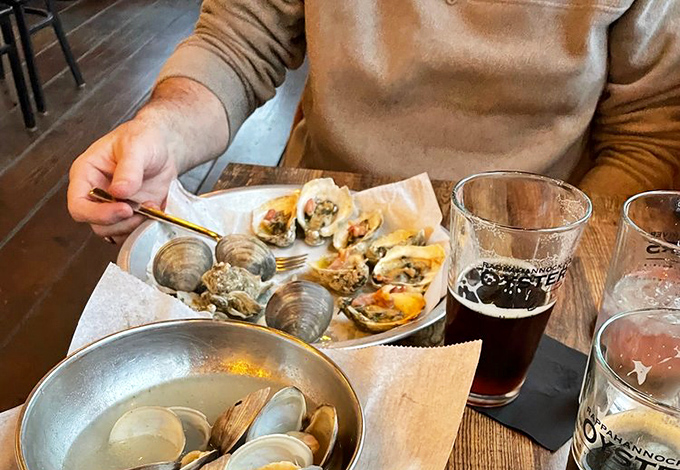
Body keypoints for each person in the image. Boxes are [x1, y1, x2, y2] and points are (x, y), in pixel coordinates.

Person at [68, 0, 680, 243]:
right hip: (322, 222)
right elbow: (236, 42)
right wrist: (163, 131)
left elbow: (648, 130)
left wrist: (557, 250)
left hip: (524, 240)